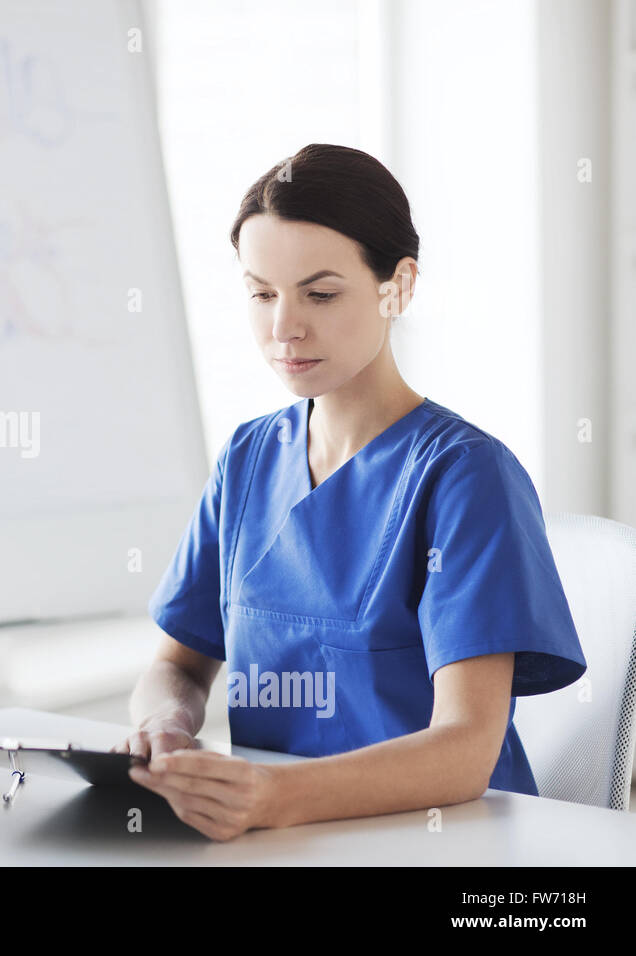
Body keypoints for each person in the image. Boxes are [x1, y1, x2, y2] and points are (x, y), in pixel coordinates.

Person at [118, 143, 586, 841]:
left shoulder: (465, 477)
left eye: (321, 293)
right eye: (261, 293)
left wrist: (276, 796)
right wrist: (164, 725)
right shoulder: (248, 459)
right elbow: (177, 665)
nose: (284, 328)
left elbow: (465, 750)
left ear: (397, 285)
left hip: (446, 845)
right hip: (279, 844)